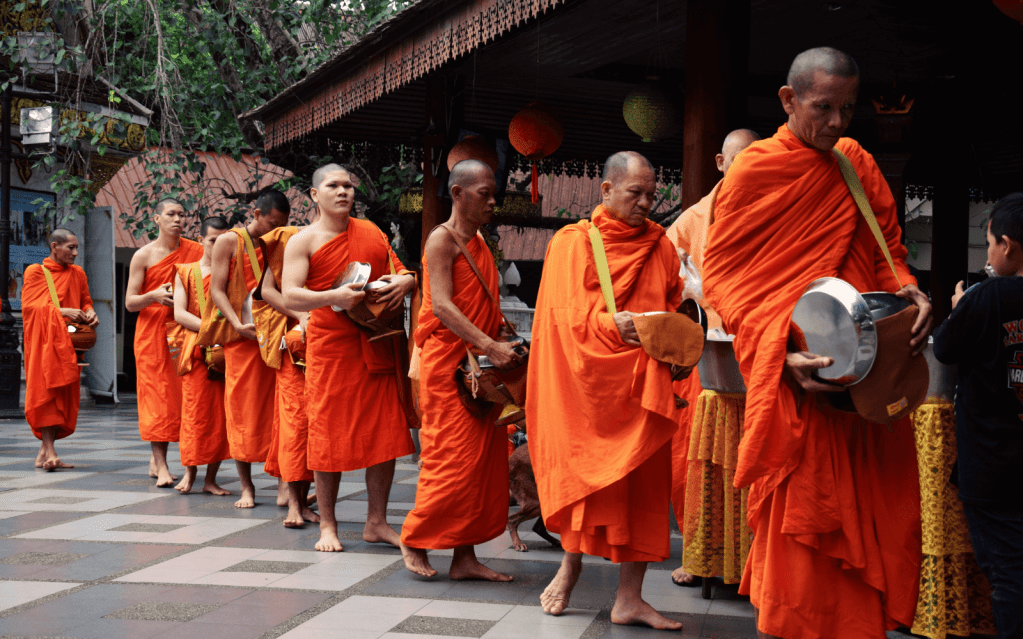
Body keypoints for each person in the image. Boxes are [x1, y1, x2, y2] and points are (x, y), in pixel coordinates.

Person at [701, 47, 931, 639]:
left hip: (864, 379)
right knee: (806, 543)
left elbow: (888, 253)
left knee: (877, 528)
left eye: (847, 110)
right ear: (789, 100)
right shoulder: (754, 171)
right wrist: (779, 350)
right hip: (799, 384)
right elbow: (724, 278)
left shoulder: (855, 162)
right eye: (823, 108)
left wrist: (908, 292)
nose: (836, 123)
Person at [527, 151, 685, 630]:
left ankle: (630, 598)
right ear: (606, 191)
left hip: (644, 388)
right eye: (634, 193)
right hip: (589, 388)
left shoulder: (660, 245)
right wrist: (607, 325)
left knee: (643, 490)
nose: (644, 204)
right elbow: (558, 320)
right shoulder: (574, 243)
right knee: (588, 483)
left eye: (651, 195)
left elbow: (676, 303)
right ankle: (570, 567)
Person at [281, 164, 417, 552]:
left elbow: (397, 268)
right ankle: (328, 524)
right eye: (333, 186)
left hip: (374, 341)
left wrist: (409, 279)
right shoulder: (302, 241)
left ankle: (376, 521)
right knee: (327, 435)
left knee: (385, 434)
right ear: (314, 195)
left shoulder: (371, 231)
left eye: (348, 186)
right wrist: (331, 297)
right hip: (331, 347)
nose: (343, 192)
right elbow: (290, 295)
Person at [400, 159, 521, 580]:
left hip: (479, 371)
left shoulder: (481, 241)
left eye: (493, 194)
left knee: (478, 464)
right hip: (449, 366)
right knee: (449, 459)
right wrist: (489, 343)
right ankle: (415, 538)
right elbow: (443, 306)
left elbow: (481, 299)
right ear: (457, 193)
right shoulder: (441, 240)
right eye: (484, 193)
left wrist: (499, 332)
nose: (493, 201)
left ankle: (463, 558)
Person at [664, 128, 760, 587]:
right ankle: (701, 552)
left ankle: (756, 558)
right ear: (720, 163)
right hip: (709, 355)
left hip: (760, 352)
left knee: (757, 459)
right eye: (738, 162)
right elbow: (665, 273)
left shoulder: (772, 213)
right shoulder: (693, 219)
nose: (746, 172)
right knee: (695, 460)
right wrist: (696, 293)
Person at [933, 193, 1023, 639]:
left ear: (1007, 246)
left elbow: (945, 349)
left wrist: (957, 309)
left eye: (988, 243)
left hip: (992, 464)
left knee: (1007, 573)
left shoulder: (985, 297)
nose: (987, 253)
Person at [206, 190, 290, 508]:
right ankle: (246, 487)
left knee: (280, 412)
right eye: (272, 222)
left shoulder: (282, 242)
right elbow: (217, 289)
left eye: (282, 224)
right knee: (241, 412)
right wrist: (236, 324)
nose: (275, 229)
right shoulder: (230, 241)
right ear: (256, 214)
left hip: (276, 336)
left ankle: (286, 485)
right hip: (241, 338)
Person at [125, 198, 205, 487]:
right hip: (152, 335)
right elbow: (130, 302)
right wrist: (153, 295)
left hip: (184, 330)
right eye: (171, 214)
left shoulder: (195, 251)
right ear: (156, 219)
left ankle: (173, 461)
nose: (178, 219)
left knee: (183, 397)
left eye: (182, 214)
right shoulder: (143, 255)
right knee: (156, 399)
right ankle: (161, 466)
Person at [259, 224, 318, 528]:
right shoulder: (290, 238)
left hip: (328, 343)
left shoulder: (348, 238)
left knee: (317, 426)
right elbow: (267, 289)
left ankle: (304, 500)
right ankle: (294, 503)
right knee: (296, 424)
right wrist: (302, 314)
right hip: (294, 347)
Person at [22, 229, 97, 471]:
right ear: (55, 247)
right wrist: (63, 312)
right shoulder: (36, 272)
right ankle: (51, 452)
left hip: (69, 343)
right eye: (70, 248)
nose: (75, 253)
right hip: (44, 344)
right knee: (46, 393)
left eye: (77, 248)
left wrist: (90, 312)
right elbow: (31, 307)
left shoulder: (77, 273)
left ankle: (44, 452)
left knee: (63, 394)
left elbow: (85, 300)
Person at [170, 216, 232, 496]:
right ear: (200, 240)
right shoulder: (185, 271)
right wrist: (212, 330)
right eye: (212, 241)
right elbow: (179, 313)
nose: (218, 246)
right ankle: (190, 472)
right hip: (197, 352)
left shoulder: (232, 273)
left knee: (221, 417)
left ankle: (211, 479)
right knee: (195, 415)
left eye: (223, 241)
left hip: (224, 352)